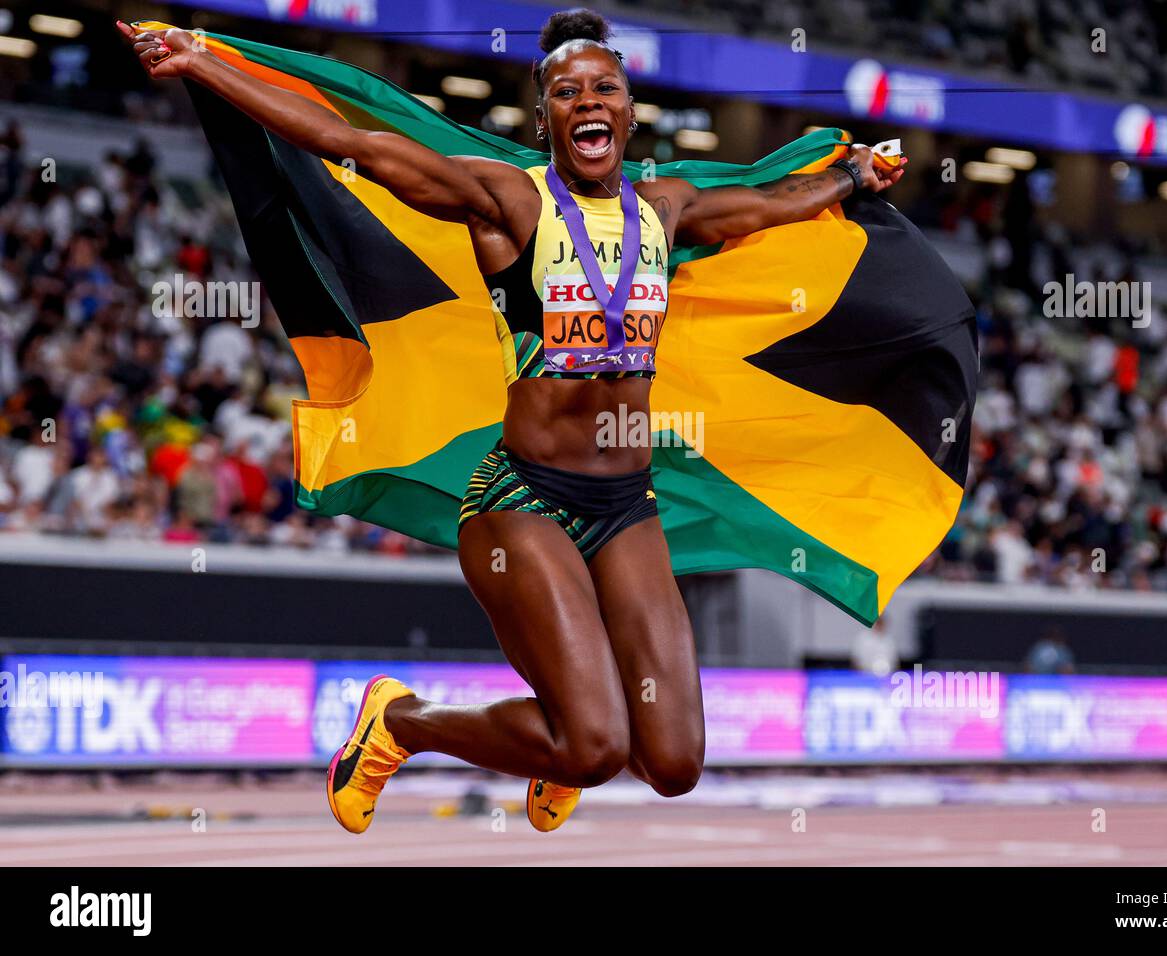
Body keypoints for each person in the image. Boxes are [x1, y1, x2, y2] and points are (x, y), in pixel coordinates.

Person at [119, 9, 905, 833]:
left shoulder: (665, 210)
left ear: (630, 113)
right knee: (596, 747)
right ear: (545, 120)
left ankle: (552, 746)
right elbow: (357, 145)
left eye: (606, 88)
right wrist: (204, 62)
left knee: (673, 763)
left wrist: (851, 179)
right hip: (523, 501)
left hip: (627, 508)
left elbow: (767, 206)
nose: (588, 102)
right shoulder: (508, 204)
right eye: (567, 92)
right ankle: (400, 722)